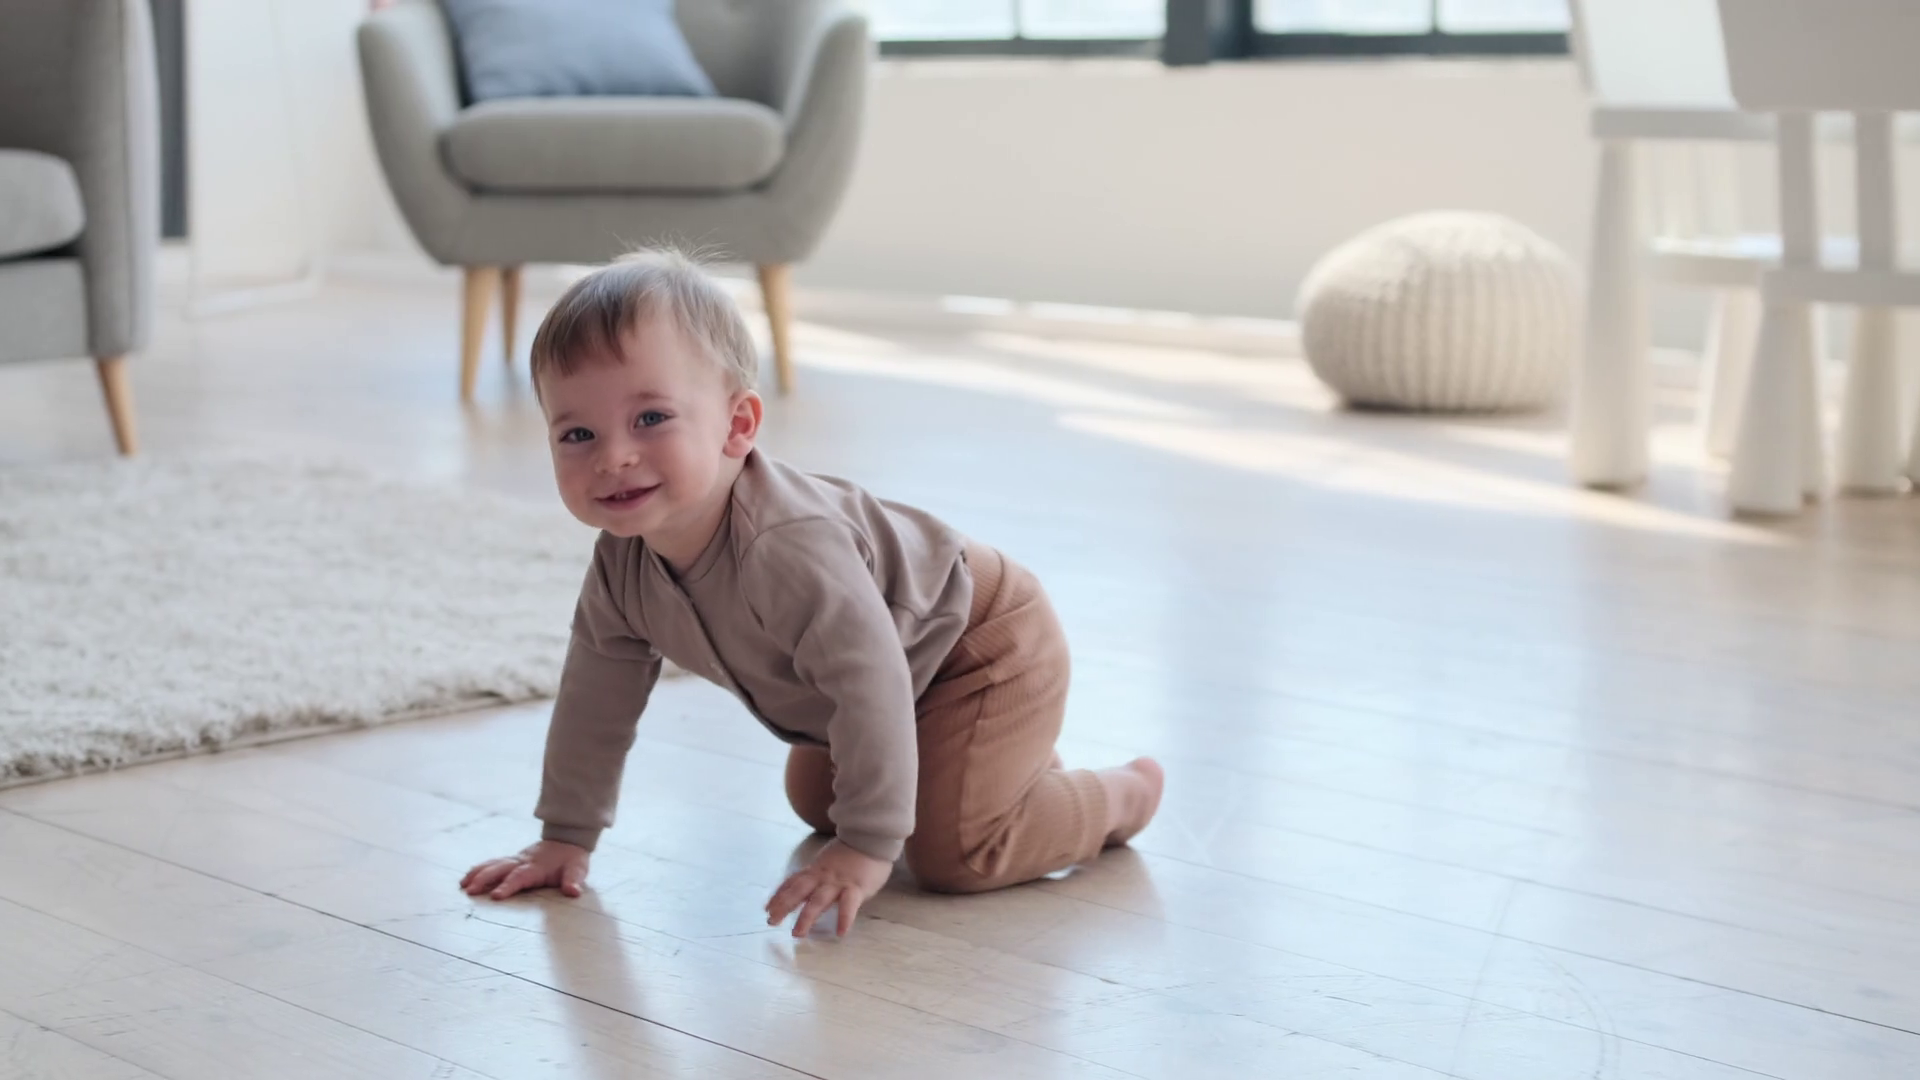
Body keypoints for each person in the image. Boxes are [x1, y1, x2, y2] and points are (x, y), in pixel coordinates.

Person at [459, 251, 1164, 937]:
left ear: (738, 425)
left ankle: (1120, 794)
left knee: (953, 853)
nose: (613, 456)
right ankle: (998, 767)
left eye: (651, 419)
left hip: (980, 646)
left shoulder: (786, 545)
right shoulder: (623, 563)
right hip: (890, 673)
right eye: (578, 433)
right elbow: (595, 699)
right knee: (817, 800)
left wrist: (866, 849)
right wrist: (565, 835)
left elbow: (870, 682)